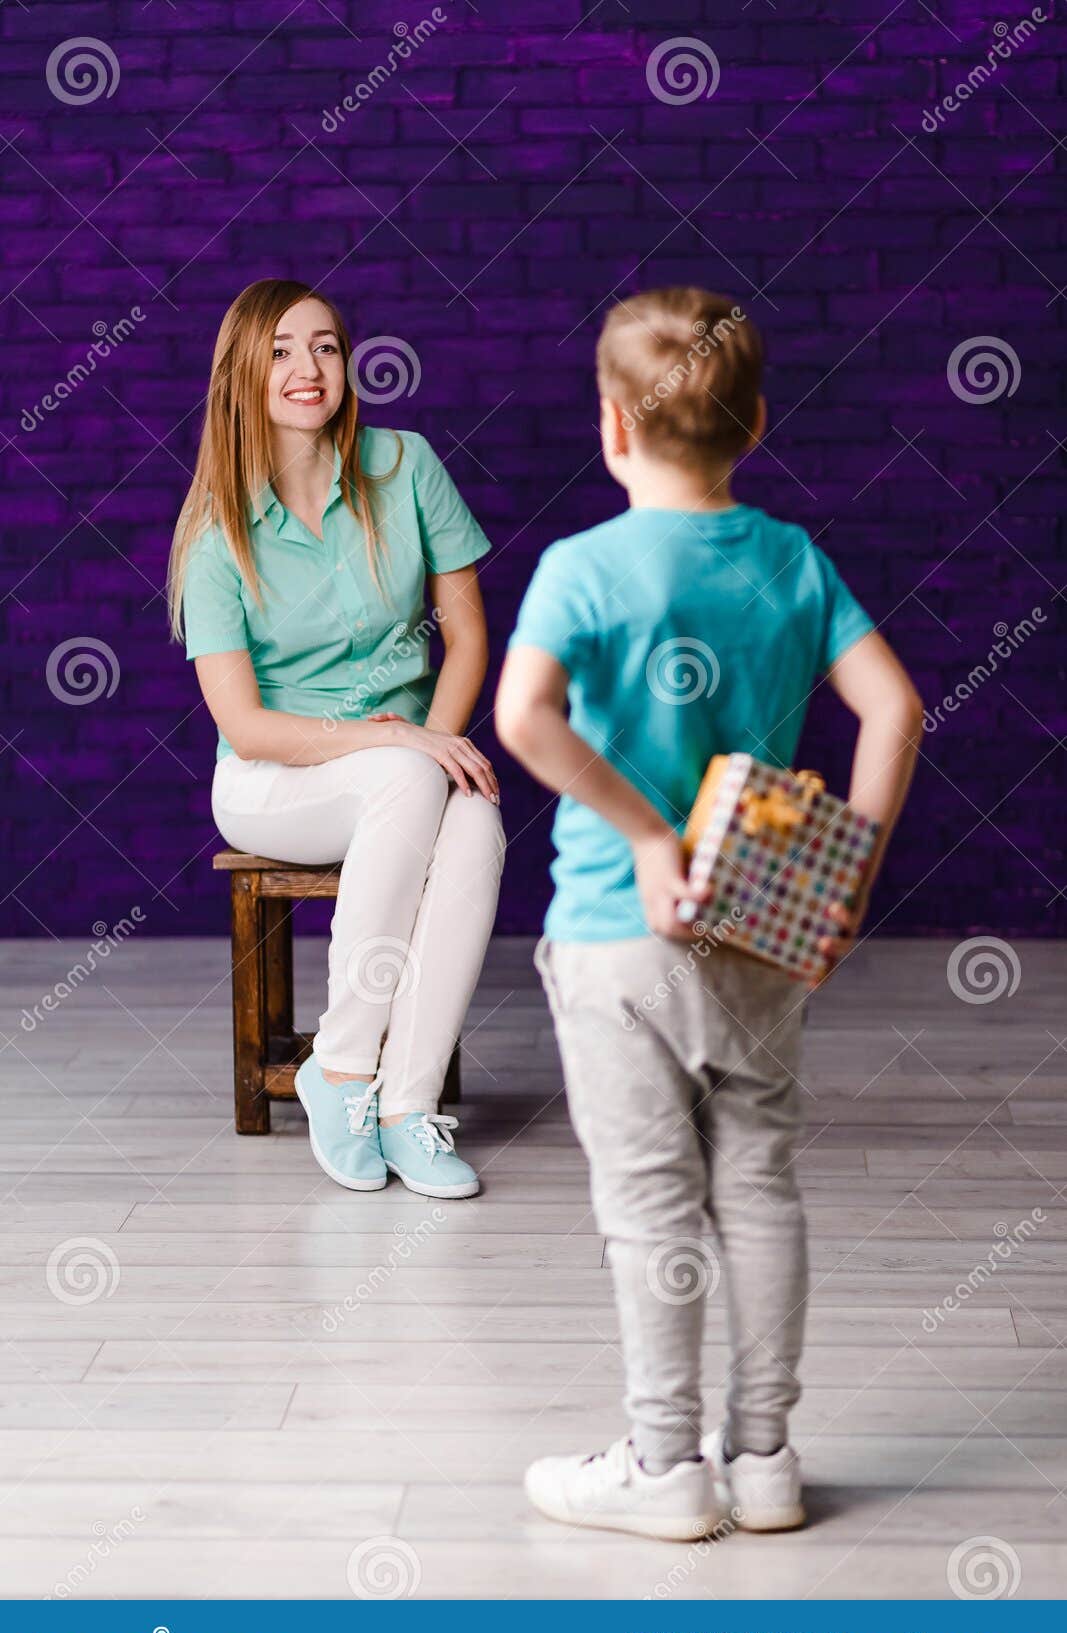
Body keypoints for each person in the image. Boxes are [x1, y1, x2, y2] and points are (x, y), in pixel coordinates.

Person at [496, 286, 922, 1540]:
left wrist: (644, 834)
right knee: (759, 1186)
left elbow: (521, 718)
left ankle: (664, 1465)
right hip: (760, 926)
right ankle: (765, 1458)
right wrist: (841, 877)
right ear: (755, 422)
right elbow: (892, 710)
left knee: (648, 1207)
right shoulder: (789, 560)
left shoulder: (582, 569)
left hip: (616, 935)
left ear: (613, 426)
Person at [168, 279, 504, 1199]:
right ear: (242, 375)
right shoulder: (216, 533)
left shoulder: (406, 465)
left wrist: (432, 750)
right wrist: (399, 750)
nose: (307, 367)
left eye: (324, 345)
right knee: (411, 778)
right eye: (279, 351)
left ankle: (405, 1106)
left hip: (404, 765)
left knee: (476, 823)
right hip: (272, 780)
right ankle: (345, 1066)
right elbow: (244, 725)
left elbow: (469, 638)